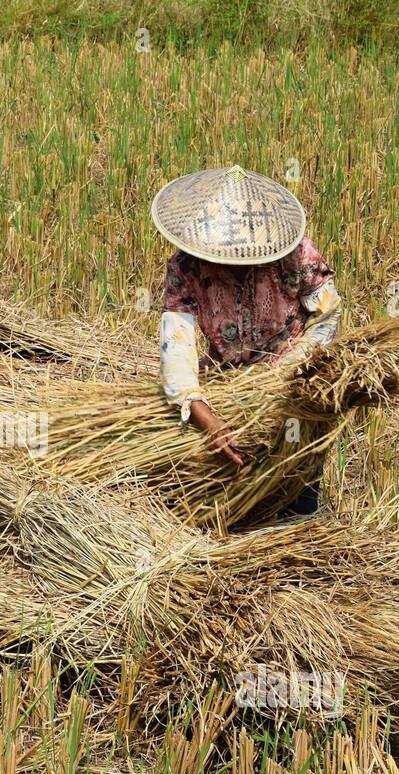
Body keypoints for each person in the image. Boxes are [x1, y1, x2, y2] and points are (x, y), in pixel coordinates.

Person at [152, 165, 343, 515]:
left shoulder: (295, 254)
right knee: (235, 499)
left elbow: (327, 315)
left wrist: (293, 372)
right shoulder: (186, 267)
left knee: (297, 492)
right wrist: (204, 416)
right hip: (229, 391)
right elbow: (176, 346)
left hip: (293, 390)